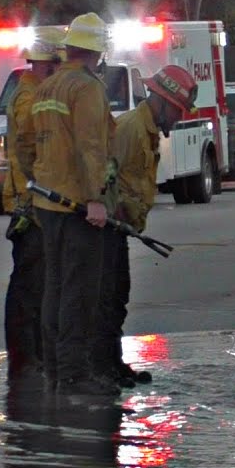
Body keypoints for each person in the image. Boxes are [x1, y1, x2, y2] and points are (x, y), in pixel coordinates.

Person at [96, 65, 198, 389]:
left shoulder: (148, 130)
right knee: (106, 299)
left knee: (116, 297)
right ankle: (102, 368)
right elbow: (103, 174)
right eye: (178, 111)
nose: (179, 119)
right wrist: (117, 207)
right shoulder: (128, 129)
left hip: (120, 229)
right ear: (162, 101)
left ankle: (111, 363)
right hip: (105, 231)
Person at [32, 12, 115, 397]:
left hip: (47, 203)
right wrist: (96, 198)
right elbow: (90, 147)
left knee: (55, 288)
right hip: (76, 206)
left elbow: (30, 145)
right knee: (79, 291)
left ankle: (54, 367)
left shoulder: (47, 87)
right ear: (97, 52)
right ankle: (74, 375)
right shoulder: (87, 88)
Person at [2, 29, 64, 380]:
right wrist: (38, 191)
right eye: (55, 64)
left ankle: (32, 356)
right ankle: (26, 360)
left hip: (31, 199)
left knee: (35, 283)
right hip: (30, 204)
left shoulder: (33, 92)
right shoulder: (29, 98)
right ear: (46, 63)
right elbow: (29, 148)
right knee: (30, 285)